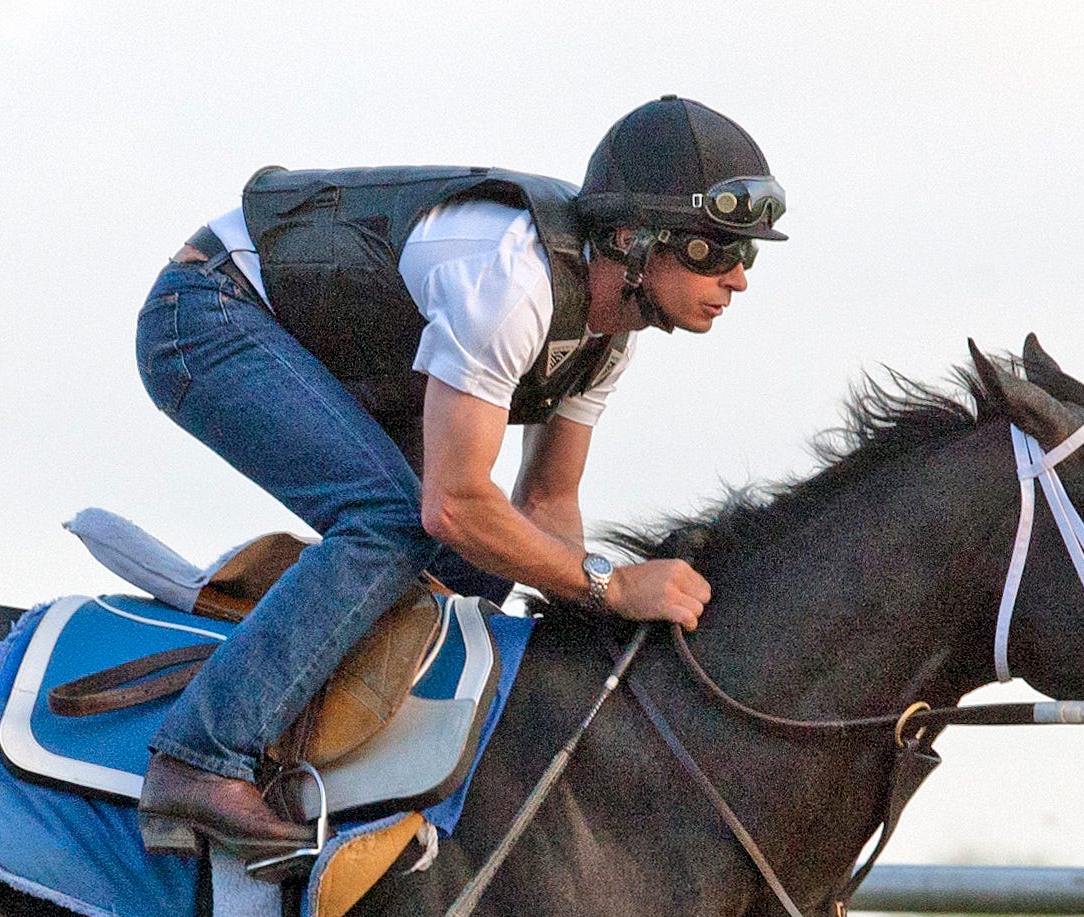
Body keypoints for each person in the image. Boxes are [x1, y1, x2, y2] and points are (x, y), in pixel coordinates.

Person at [134, 95, 785, 860]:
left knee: (468, 564)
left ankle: (372, 768)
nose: (737, 278)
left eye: (748, 254)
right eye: (712, 251)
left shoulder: (607, 338)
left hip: (342, 352)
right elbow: (452, 503)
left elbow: (546, 502)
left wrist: (582, 627)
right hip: (207, 312)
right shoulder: (510, 281)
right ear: (629, 239)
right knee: (392, 521)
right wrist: (609, 585)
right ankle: (198, 758)